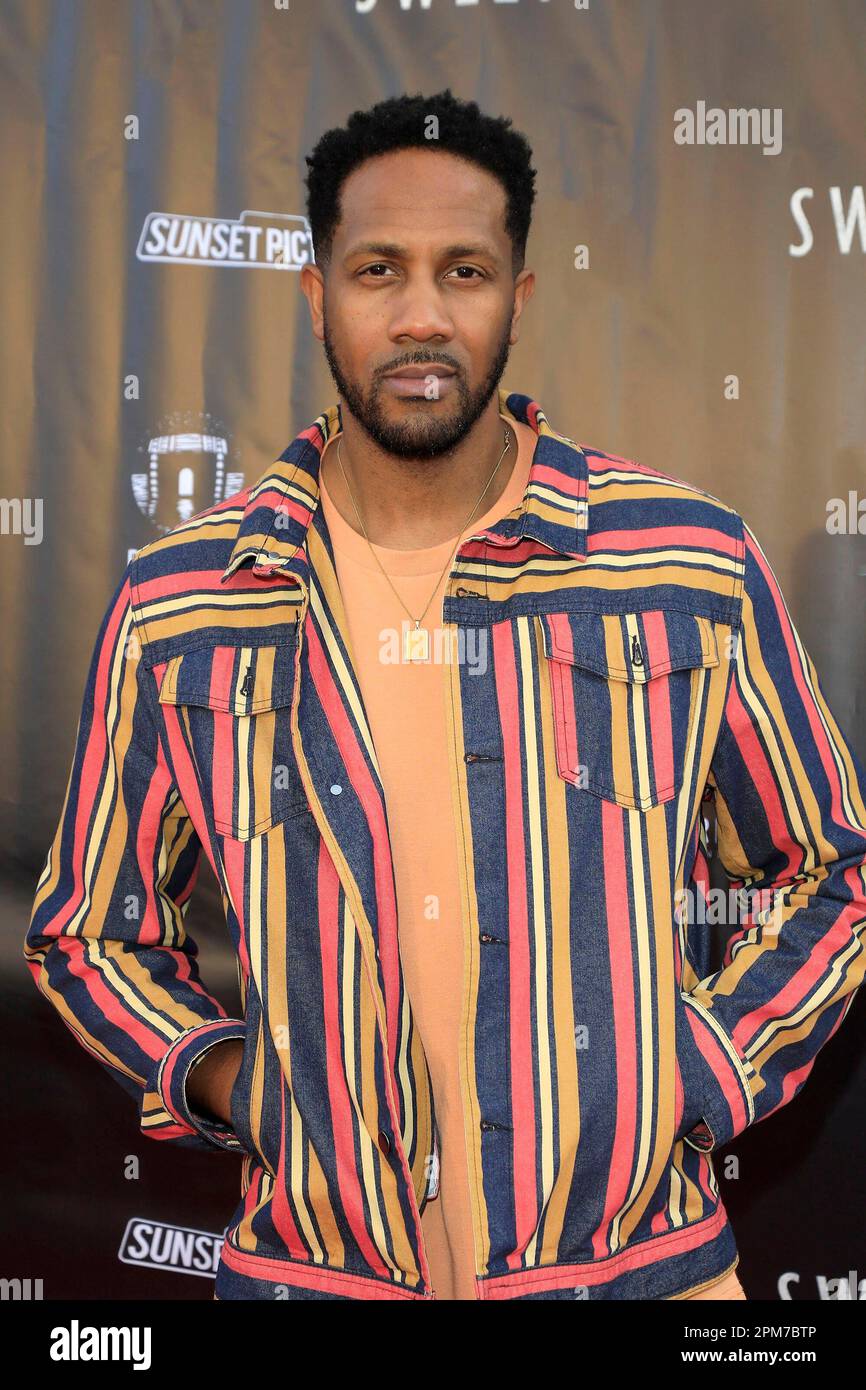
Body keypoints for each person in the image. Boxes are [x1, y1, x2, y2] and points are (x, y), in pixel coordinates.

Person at [25, 90, 866, 1302]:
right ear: (317, 297)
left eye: (462, 270)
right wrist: (223, 1075)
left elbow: (832, 869)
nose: (420, 316)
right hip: (313, 1276)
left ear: (516, 299)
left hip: (639, 1273)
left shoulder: (683, 563)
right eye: (377, 270)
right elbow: (86, 929)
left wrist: (697, 1070)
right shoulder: (187, 601)